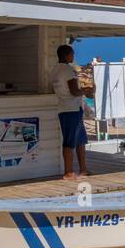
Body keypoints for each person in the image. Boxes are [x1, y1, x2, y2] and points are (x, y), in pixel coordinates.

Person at [49, 44, 94, 179]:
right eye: (72, 54)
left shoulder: (55, 70)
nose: (73, 56)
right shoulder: (68, 70)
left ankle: (83, 169)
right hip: (72, 109)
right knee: (70, 141)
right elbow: (74, 91)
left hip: (65, 108)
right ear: (67, 55)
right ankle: (69, 172)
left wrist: (82, 92)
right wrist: (86, 91)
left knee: (80, 140)